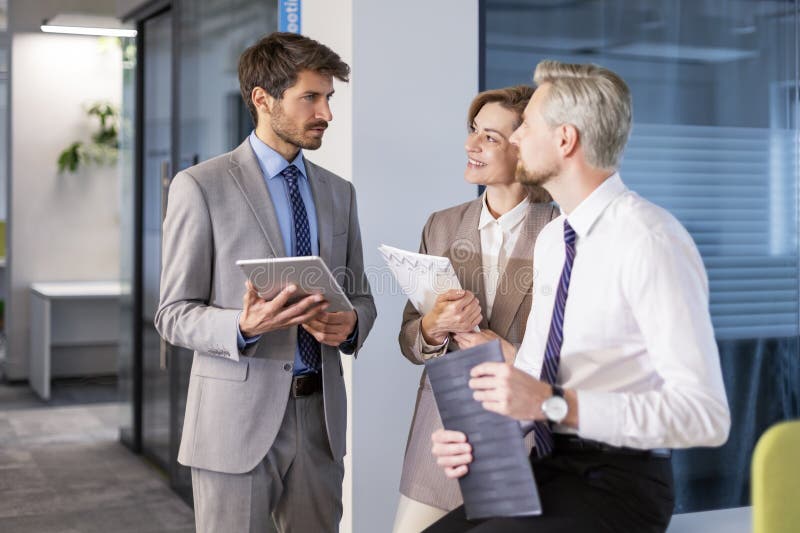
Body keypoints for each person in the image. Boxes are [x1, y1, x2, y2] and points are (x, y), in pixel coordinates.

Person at [427, 60, 731, 533]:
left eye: (526, 125)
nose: (516, 138)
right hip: (548, 467)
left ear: (565, 140)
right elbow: (530, 379)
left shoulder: (650, 239)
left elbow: (705, 416)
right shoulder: (554, 241)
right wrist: (478, 435)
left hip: (620, 484)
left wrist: (553, 404)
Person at [154, 32, 376, 533]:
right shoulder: (200, 186)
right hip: (235, 422)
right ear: (263, 99)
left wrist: (352, 323)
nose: (326, 113)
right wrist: (243, 325)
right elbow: (172, 313)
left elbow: (360, 291)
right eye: (310, 98)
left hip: (318, 419)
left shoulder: (339, 193)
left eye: (329, 98)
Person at [393, 85, 558, 533]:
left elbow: (570, 352)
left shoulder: (560, 233)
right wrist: (431, 327)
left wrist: (500, 348)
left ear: (522, 147)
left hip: (522, 438)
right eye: (472, 131)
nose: (470, 145)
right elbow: (410, 338)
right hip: (442, 432)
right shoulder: (442, 225)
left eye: (490, 137)